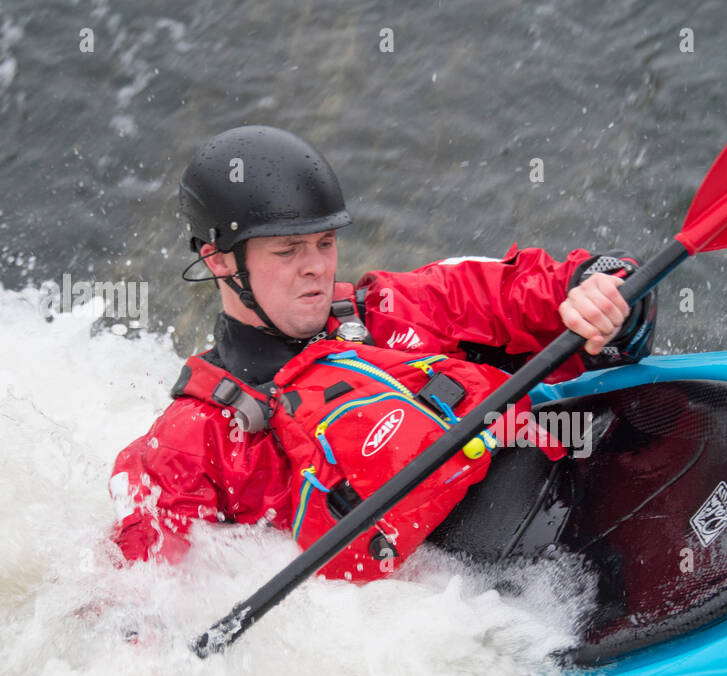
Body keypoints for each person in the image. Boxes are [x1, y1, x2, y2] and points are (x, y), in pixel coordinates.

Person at [109, 125, 656, 581]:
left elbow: (533, 288)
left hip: (579, 530)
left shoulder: (389, 310)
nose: (317, 267)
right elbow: (148, 605)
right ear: (220, 260)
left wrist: (601, 289)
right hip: (473, 633)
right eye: (288, 250)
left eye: (325, 243)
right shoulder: (191, 442)